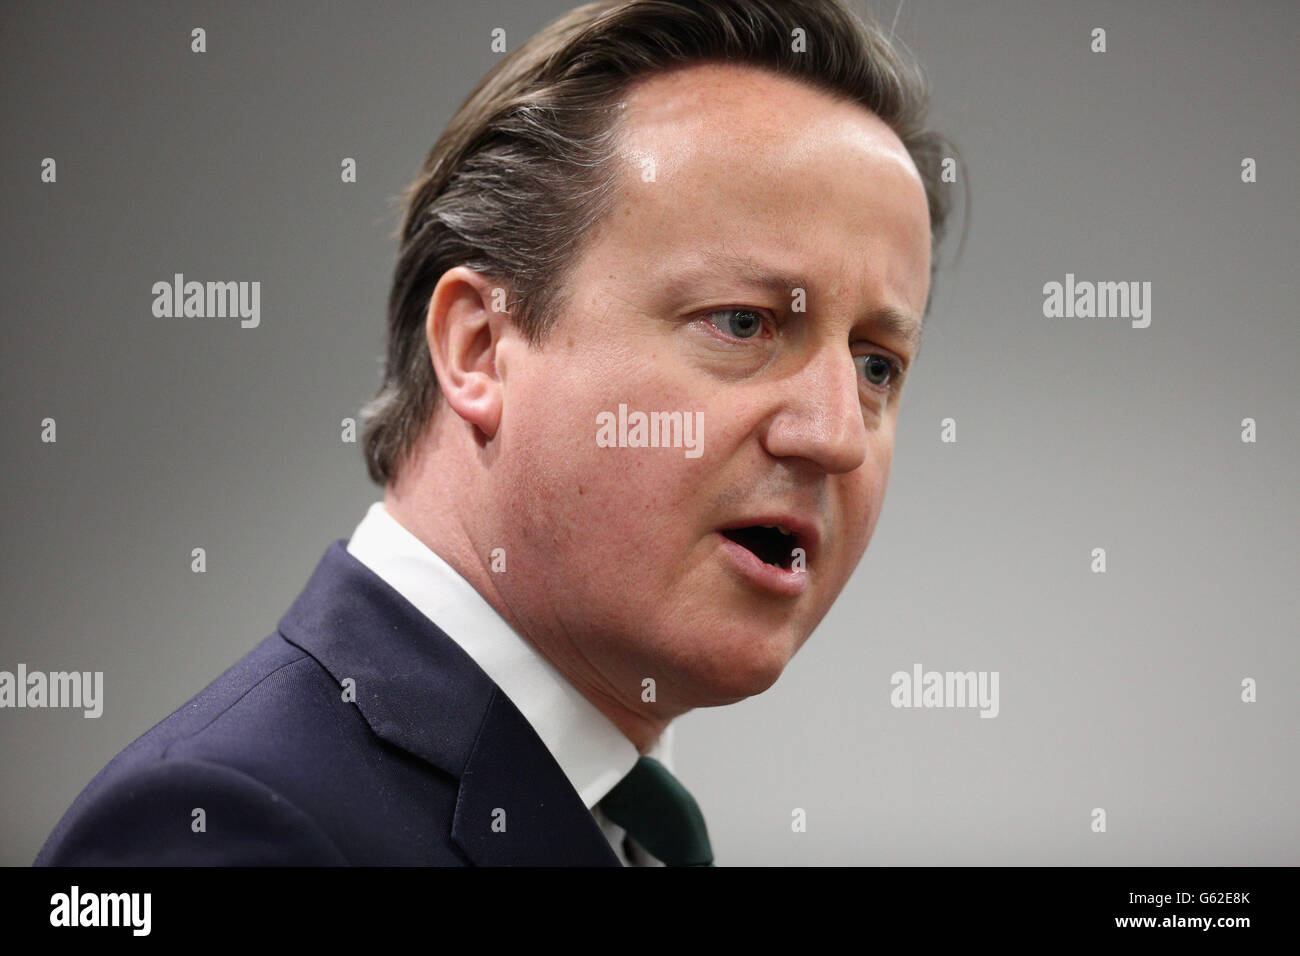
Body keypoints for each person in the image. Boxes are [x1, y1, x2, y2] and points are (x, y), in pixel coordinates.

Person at [35, 0, 959, 867]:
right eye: (744, 323)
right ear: (479, 348)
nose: (836, 433)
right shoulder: (221, 831)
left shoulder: (611, 819)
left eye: (878, 364)